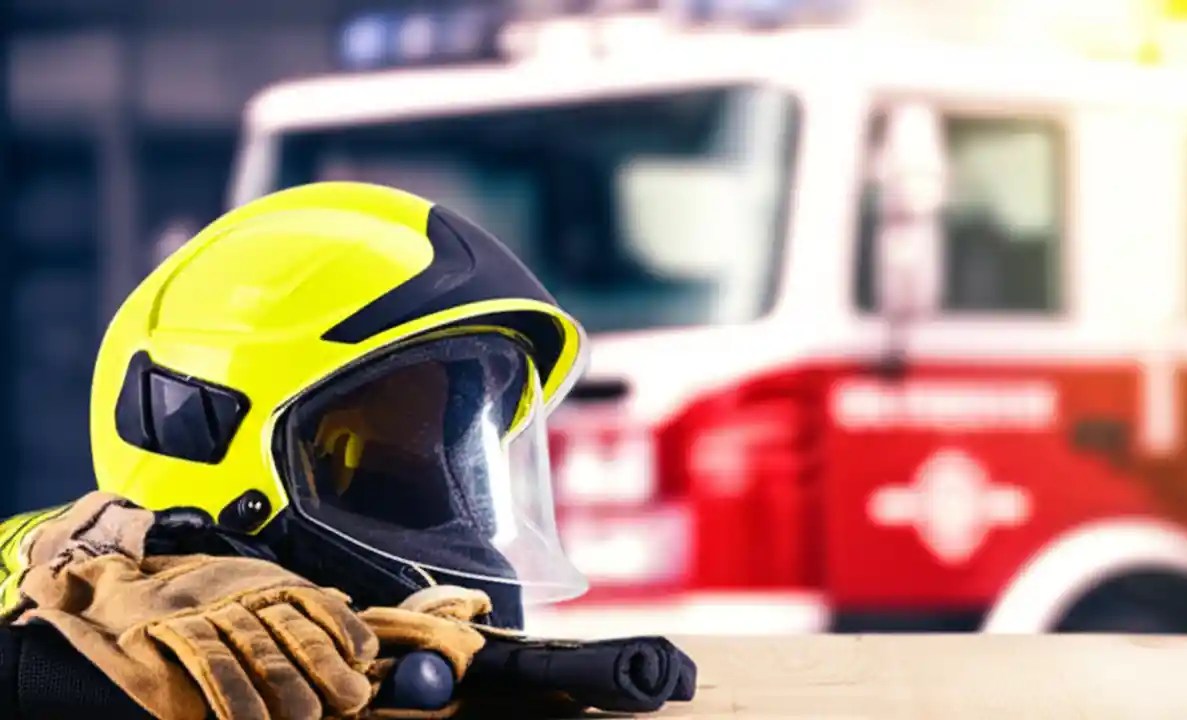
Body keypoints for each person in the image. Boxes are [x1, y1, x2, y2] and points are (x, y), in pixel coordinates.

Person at [0, 182, 694, 719]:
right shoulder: (74, 585)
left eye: (444, 445)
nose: (434, 491)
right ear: (212, 446)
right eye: (351, 451)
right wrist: (44, 671)